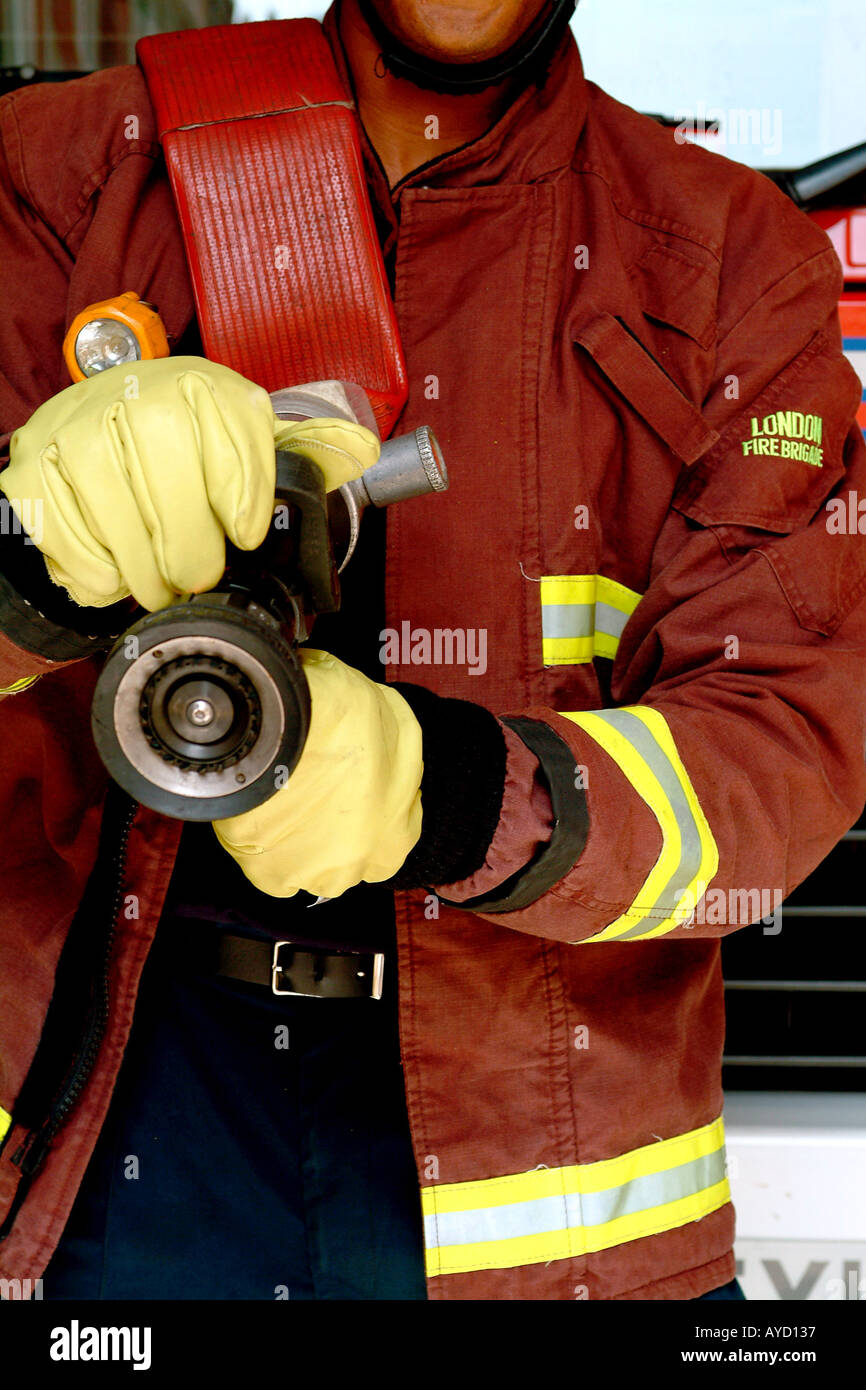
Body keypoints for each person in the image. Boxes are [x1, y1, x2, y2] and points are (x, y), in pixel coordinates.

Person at [0, 0, 864, 1302]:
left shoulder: (734, 264)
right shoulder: (62, 177)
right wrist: (29, 561)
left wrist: (446, 793)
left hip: (544, 1184)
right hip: (125, 1124)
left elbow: (788, 750)